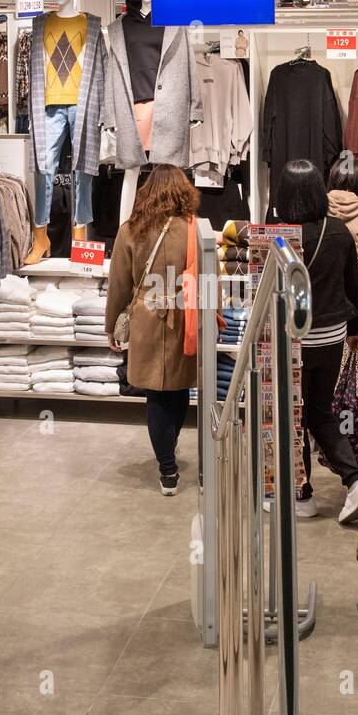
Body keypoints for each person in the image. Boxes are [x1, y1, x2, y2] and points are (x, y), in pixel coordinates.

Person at [275, 160, 358, 520]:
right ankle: (355, 478)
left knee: (292, 413)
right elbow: (353, 287)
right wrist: (357, 330)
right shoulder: (338, 231)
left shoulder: (279, 237)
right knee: (319, 410)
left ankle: (302, 494)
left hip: (293, 336)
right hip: (332, 335)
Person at [105, 164, 199, 496]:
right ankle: (168, 452)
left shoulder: (131, 229)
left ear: (147, 191)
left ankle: (167, 469)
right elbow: (208, 277)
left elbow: (118, 284)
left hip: (145, 316)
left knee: (156, 396)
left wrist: (111, 324)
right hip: (182, 316)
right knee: (178, 389)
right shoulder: (193, 229)